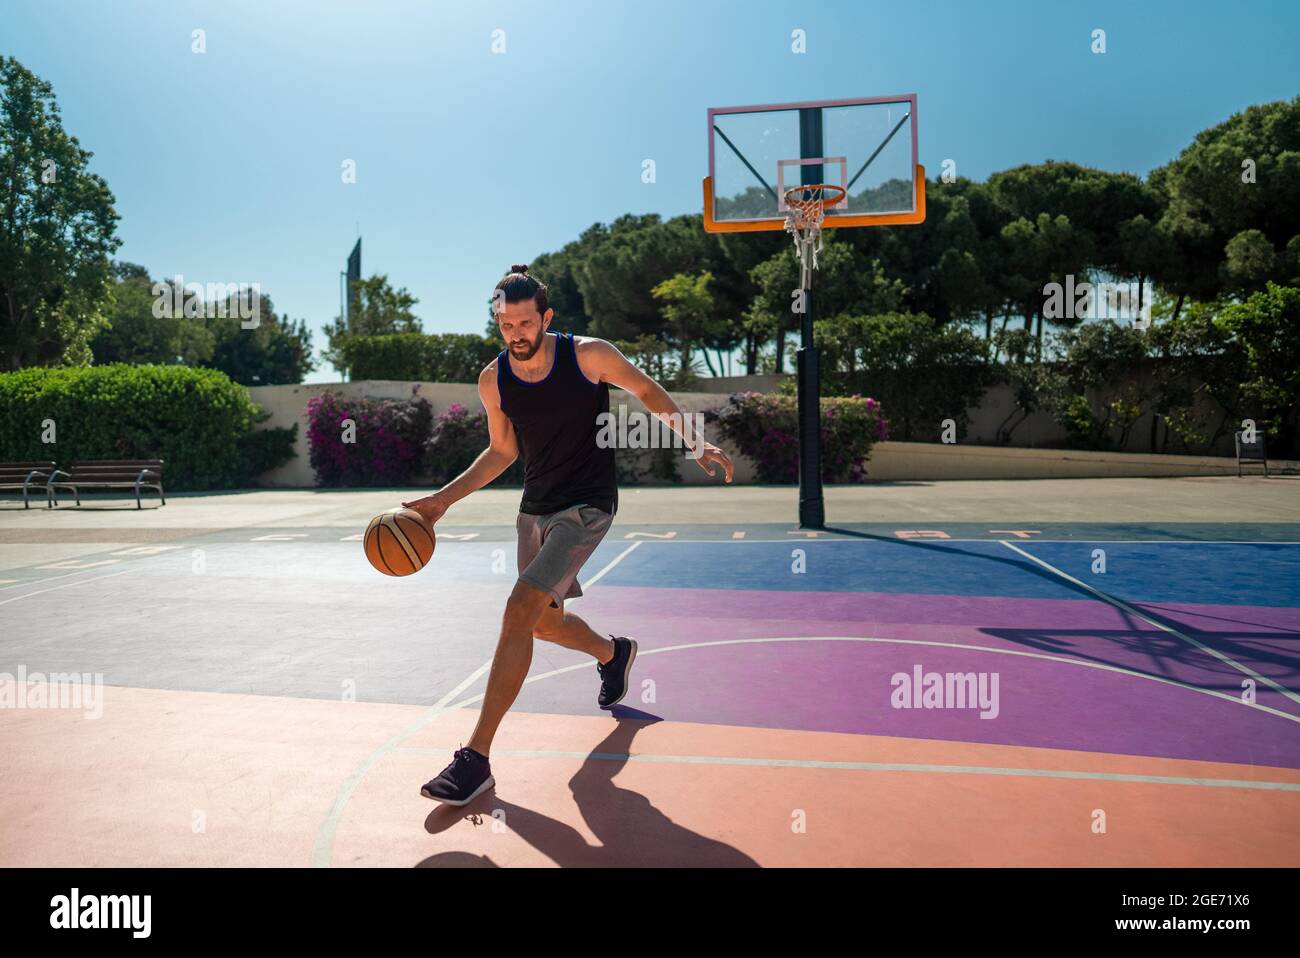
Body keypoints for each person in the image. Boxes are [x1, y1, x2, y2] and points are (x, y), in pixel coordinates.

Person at [403, 265, 735, 805]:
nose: (515, 333)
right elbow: (503, 451)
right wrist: (442, 501)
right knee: (541, 624)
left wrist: (696, 443)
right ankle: (612, 654)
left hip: (586, 507)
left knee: (517, 608)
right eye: (505, 323)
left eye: (525, 322)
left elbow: (647, 390)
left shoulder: (588, 356)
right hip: (535, 509)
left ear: (546, 318)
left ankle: (476, 759)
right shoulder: (494, 380)